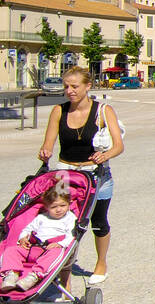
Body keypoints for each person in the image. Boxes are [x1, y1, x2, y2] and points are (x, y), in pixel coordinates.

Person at [37, 66, 123, 288]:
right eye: (66, 86)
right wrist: (45, 151)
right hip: (66, 174)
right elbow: (48, 143)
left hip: (96, 175)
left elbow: (118, 146)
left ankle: (101, 263)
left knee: (98, 222)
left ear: (87, 86)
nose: (69, 91)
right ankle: (64, 279)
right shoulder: (59, 111)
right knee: (66, 225)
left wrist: (104, 156)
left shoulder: (104, 111)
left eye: (74, 86)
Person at [0, 182, 76, 293]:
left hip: (52, 248)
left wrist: (60, 244)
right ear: (46, 207)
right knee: (11, 250)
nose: (59, 209)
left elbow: (72, 235)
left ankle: (33, 276)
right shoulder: (41, 218)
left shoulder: (70, 218)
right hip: (33, 247)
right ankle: (12, 274)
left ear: (69, 204)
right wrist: (23, 238)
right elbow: (27, 229)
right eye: (54, 207)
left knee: (56, 253)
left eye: (63, 205)